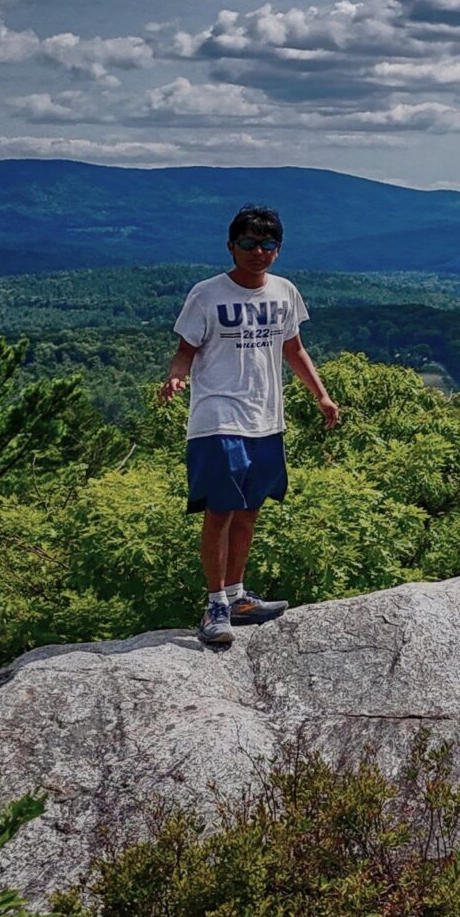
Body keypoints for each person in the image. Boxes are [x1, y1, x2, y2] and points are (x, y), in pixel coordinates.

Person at [158, 206, 340, 649]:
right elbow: (186, 348)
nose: (258, 253)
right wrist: (175, 376)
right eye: (248, 244)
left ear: (278, 249)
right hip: (217, 415)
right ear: (230, 246)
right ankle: (216, 603)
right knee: (220, 508)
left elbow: (294, 349)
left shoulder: (284, 292)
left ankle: (238, 596)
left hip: (265, 416)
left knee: (249, 508)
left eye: (267, 245)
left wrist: (321, 394)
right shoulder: (207, 295)